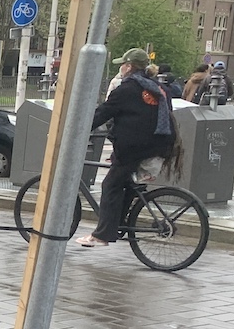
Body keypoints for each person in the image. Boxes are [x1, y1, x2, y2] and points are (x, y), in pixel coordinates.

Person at [76, 48, 178, 249]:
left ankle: (102, 235)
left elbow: (102, 114)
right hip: (159, 145)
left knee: (110, 185)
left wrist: (77, 131)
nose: (121, 68)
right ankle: (120, 223)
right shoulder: (159, 88)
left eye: (122, 64)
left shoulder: (126, 89)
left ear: (129, 66)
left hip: (134, 147)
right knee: (127, 183)